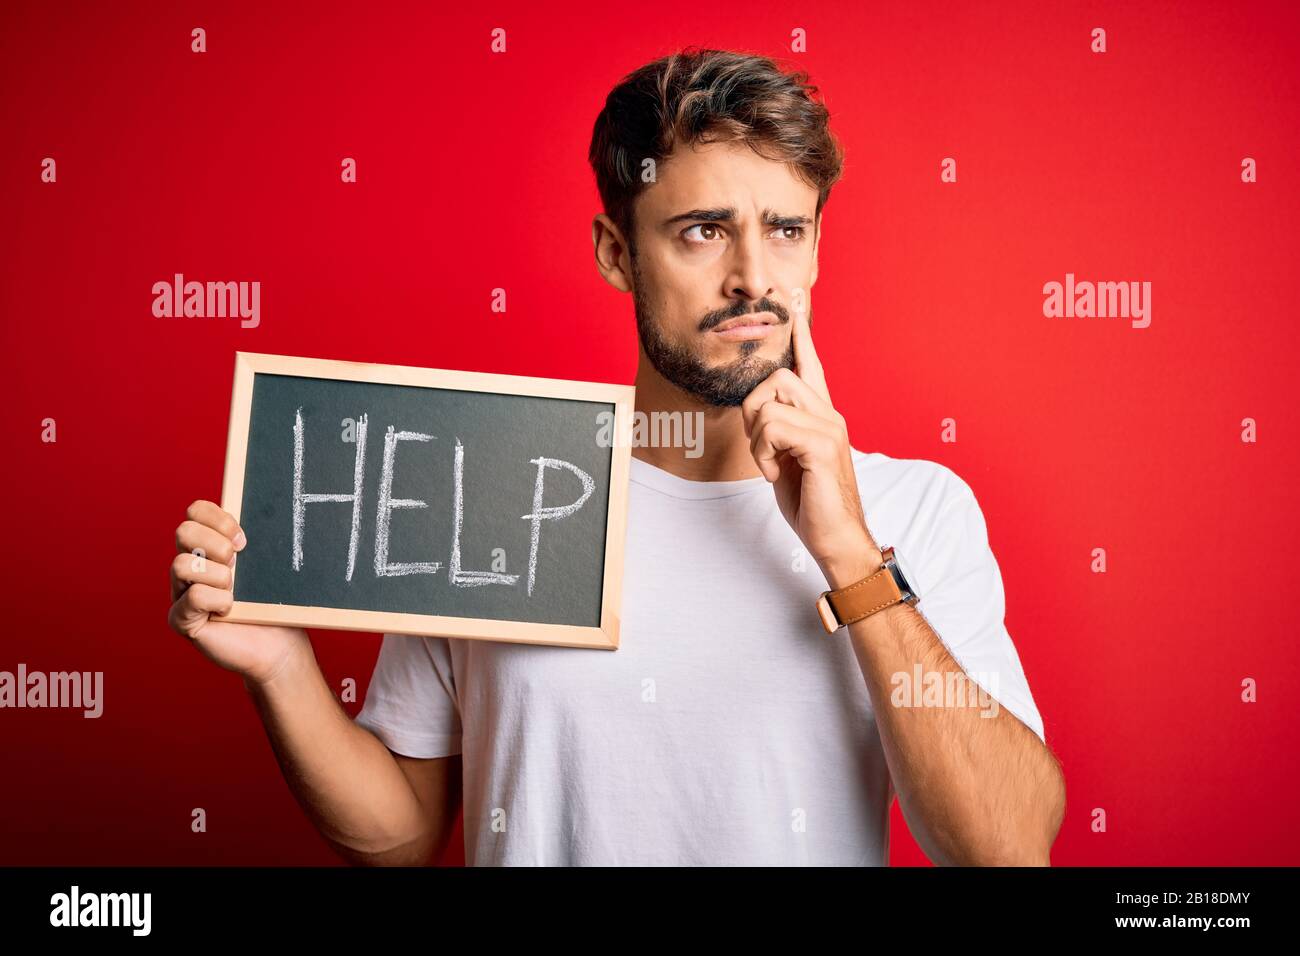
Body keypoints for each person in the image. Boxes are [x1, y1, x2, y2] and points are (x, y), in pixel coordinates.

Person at [168, 48, 1065, 866]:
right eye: (703, 231)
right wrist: (283, 668)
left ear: (818, 248)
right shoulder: (491, 485)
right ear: (616, 254)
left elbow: (1008, 848)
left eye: (785, 231)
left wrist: (852, 560)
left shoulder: (915, 512)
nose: (753, 275)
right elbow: (401, 832)